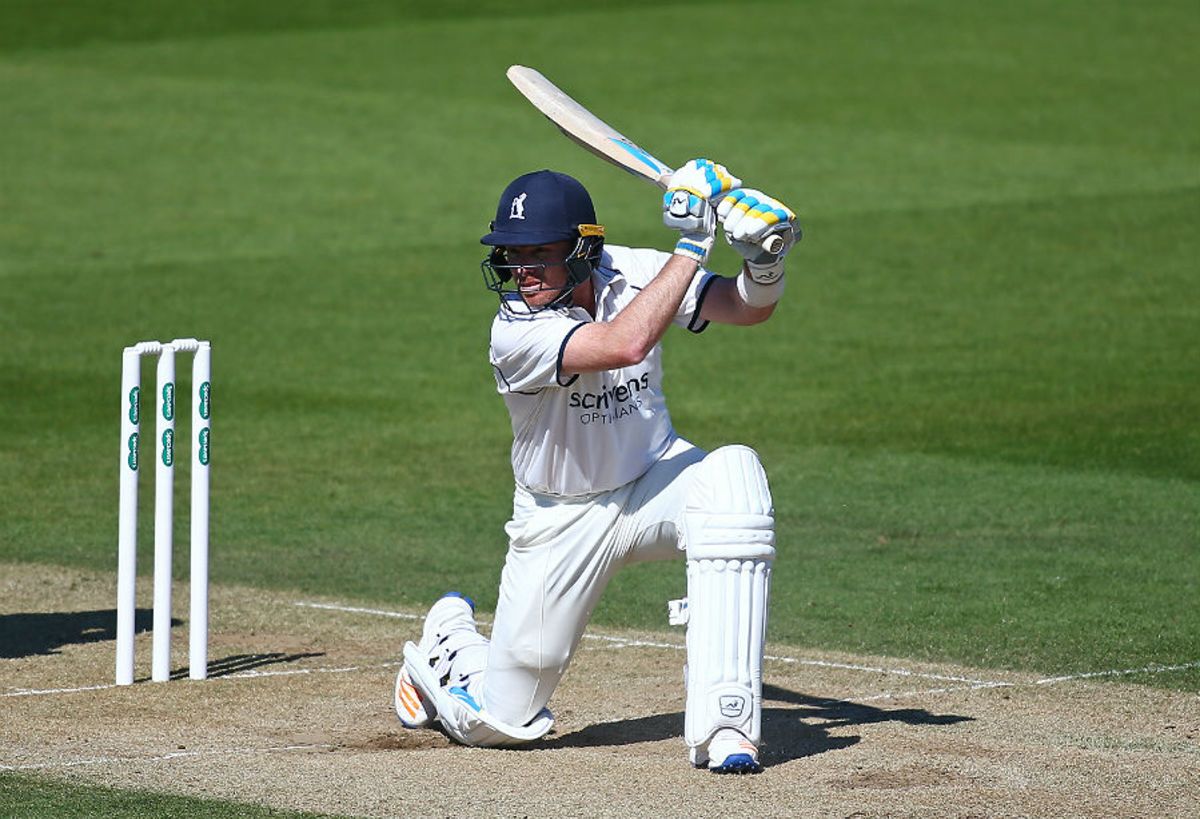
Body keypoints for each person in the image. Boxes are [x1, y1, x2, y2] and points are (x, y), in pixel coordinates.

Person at [394, 160, 798, 773]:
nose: (521, 271)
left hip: (655, 478)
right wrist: (693, 241)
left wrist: (762, 259)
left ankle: (726, 724)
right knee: (504, 722)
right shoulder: (515, 332)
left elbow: (746, 308)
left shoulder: (634, 270)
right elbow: (623, 345)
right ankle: (447, 649)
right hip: (563, 517)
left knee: (735, 479)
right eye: (511, 255)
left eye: (539, 254)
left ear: (585, 250)